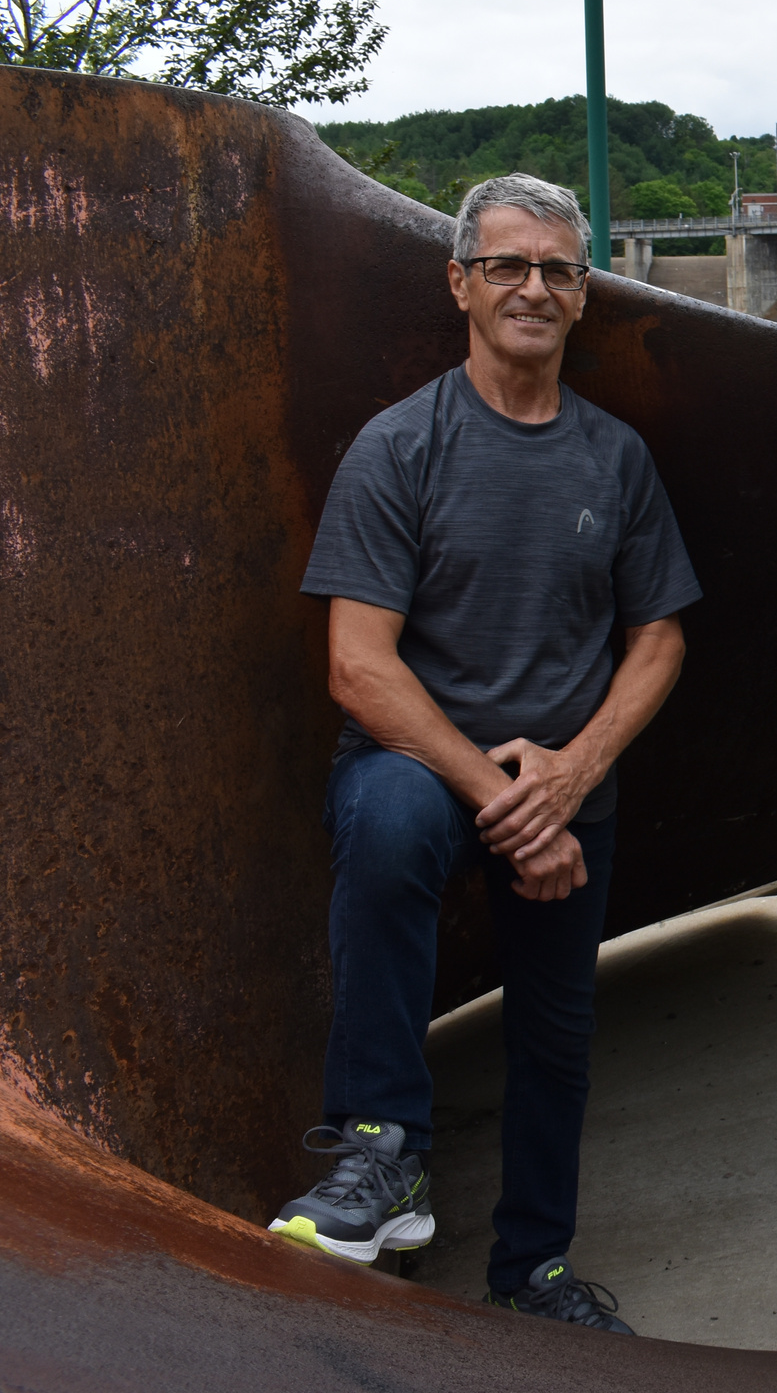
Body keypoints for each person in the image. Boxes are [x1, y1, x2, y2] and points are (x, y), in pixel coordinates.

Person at [272, 173, 700, 1336]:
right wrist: (508, 798)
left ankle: (534, 1269)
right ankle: (380, 1151)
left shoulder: (615, 459)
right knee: (387, 819)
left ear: (583, 296)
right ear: (460, 283)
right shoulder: (400, 446)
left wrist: (574, 774)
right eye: (508, 264)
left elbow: (659, 640)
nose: (533, 288)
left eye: (558, 269)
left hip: (567, 783)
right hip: (422, 769)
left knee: (556, 1033)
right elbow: (358, 666)